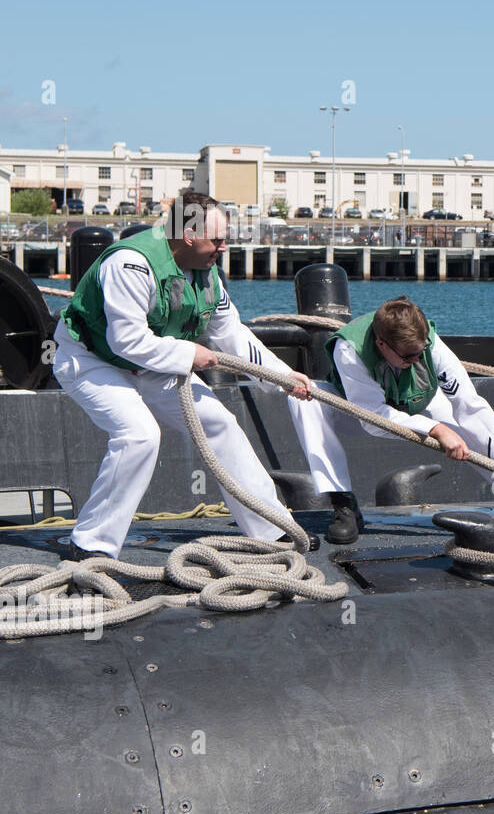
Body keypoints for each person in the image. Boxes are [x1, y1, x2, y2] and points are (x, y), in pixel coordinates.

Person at [53, 191, 320, 559]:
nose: (224, 248)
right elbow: (125, 340)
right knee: (139, 435)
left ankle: (270, 530)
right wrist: (189, 353)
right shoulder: (132, 264)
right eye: (218, 240)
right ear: (189, 235)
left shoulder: (208, 274)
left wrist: (282, 376)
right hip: (91, 360)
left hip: (155, 363)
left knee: (220, 424)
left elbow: (233, 335)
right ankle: (91, 544)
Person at [299, 296, 494, 528]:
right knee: (304, 401)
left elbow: (470, 403)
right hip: (362, 410)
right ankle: (342, 504)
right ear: (382, 345)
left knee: (477, 437)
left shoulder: (430, 344)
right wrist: (436, 430)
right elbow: (372, 417)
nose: (418, 360)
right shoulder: (350, 350)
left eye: (421, 353)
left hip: (421, 400)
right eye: (409, 357)